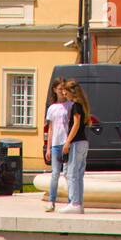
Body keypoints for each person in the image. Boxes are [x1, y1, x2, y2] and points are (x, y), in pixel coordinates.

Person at [61, 79, 90, 213]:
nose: (63, 94)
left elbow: (76, 124)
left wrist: (67, 142)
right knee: (78, 174)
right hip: (83, 142)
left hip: (77, 142)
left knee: (72, 174)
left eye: (65, 92)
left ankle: (75, 203)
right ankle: (79, 203)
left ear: (71, 92)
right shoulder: (83, 105)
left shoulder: (75, 106)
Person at [44, 81, 71, 211]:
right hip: (55, 144)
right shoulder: (52, 108)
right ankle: (51, 201)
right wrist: (48, 147)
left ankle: (71, 200)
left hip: (67, 143)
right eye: (59, 89)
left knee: (68, 173)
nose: (62, 91)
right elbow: (50, 128)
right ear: (54, 90)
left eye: (64, 89)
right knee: (55, 173)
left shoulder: (70, 105)